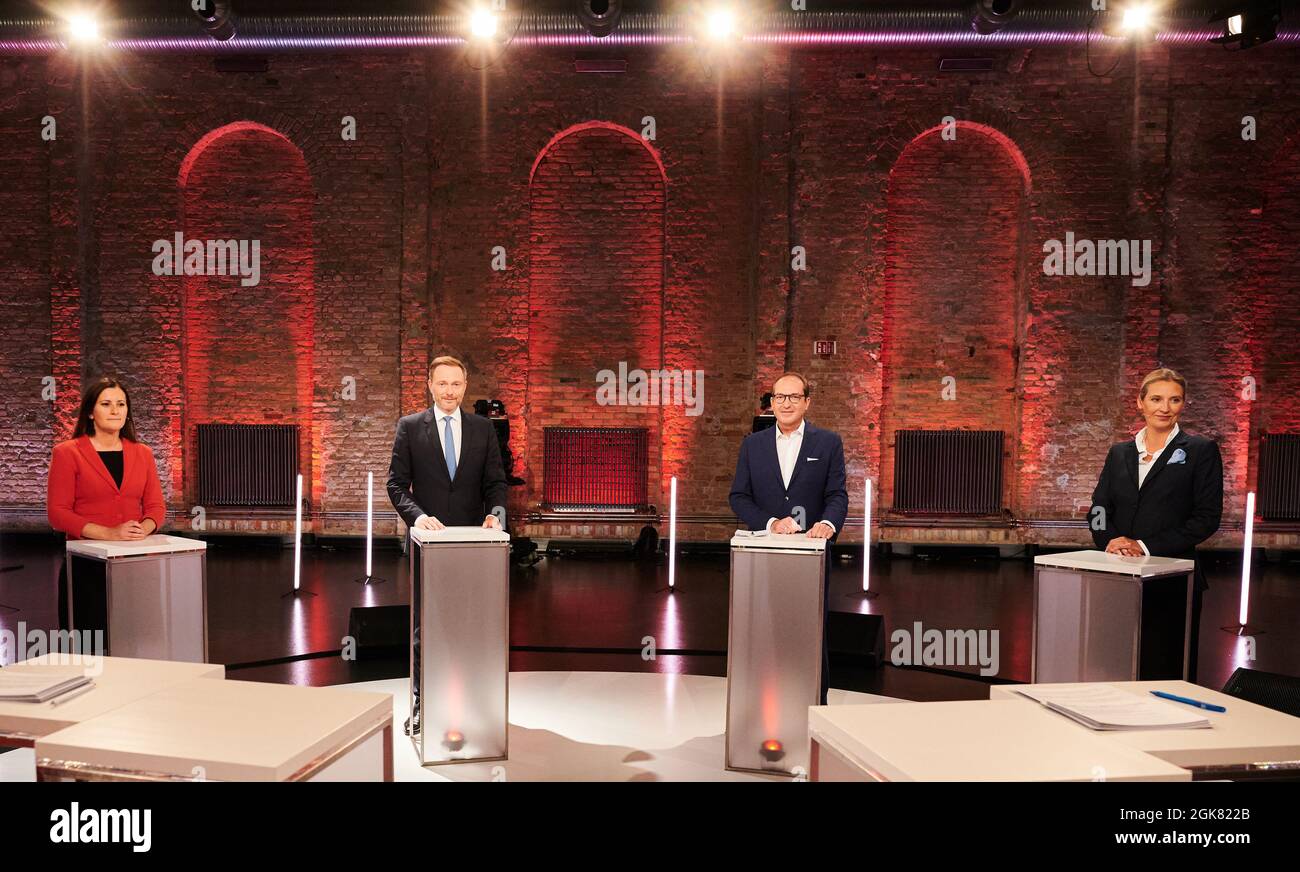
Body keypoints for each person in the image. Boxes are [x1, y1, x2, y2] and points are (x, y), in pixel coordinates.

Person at [387, 355, 508, 734]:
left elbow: (495, 482)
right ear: (430, 385)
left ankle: (471, 702)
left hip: (472, 546)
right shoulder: (410, 427)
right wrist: (418, 517)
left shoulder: (483, 429)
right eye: (442, 383)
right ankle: (422, 703)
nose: (449, 391)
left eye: (456, 384)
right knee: (426, 627)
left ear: (465, 386)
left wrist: (495, 514)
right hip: (429, 544)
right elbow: (396, 484)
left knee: (470, 624)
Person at [1089, 367, 1223, 683]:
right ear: (1140, 402)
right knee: (1113, 665)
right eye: (1156, 399)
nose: (1165, 407)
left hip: (1173, 581)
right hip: (1117, 577)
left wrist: (1144, 547)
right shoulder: (1118, 452)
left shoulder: (1201, 451)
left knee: (1165, 669)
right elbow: (1098, 509)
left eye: (1174, 399)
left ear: (1183, 404)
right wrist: (1109, 540)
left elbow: (1206, 518)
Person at [729, 372, 848, 706]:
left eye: (794, 397)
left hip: (810, 556)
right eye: (779, 397)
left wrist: (827, 523)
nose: (786, 403)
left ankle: (814, 706)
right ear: (771, 402)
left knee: (810, 631)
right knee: (762, 629)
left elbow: (837, 495)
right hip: (763, 554)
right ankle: (763, 705)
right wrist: (770, 523)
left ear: (807, 402)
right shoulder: (752, 445)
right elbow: (739, 496)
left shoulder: (828, 443)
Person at [47, 377, 167, 632]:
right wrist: (110, 533)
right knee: (90, 642)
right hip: (86, 565)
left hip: (134, 563)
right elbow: (57, 513)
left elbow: (156, 507)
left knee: (136, 638)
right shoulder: (67, 452)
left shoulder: (143, 453)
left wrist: (142, 529)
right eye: (106, 404)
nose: (115, 410)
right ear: (90, 412)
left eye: (121, 404)